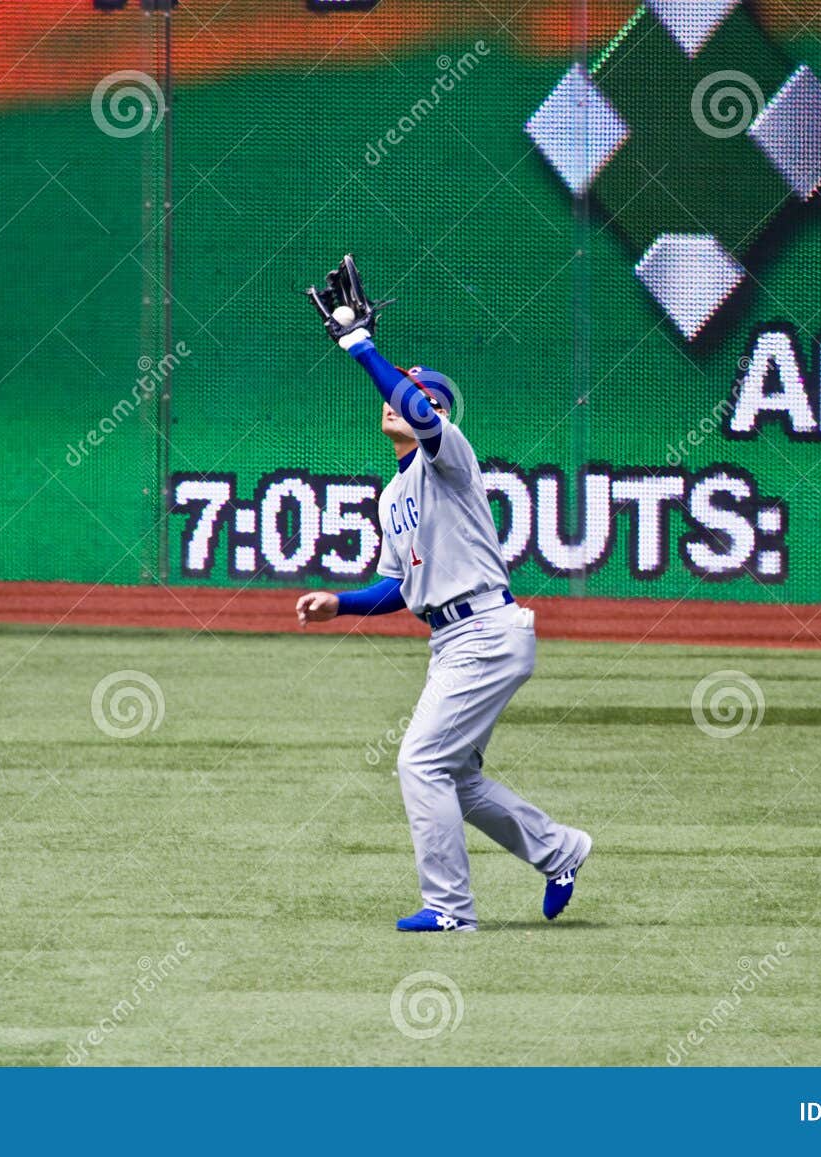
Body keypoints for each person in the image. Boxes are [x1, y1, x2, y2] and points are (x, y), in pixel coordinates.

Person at [296, 256, 592, 932]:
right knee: (452, 774)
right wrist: (340, 604)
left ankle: (450, 908)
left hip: (486, 631)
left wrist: (363, 347)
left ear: (435, 408)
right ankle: (560, 851)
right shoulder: (392, 495)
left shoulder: (449, 458)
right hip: (453, 638)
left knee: (418, 760)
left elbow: (418, 412)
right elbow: (401, 587)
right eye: (404, 390)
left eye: (419, 393)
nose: (403, 399)